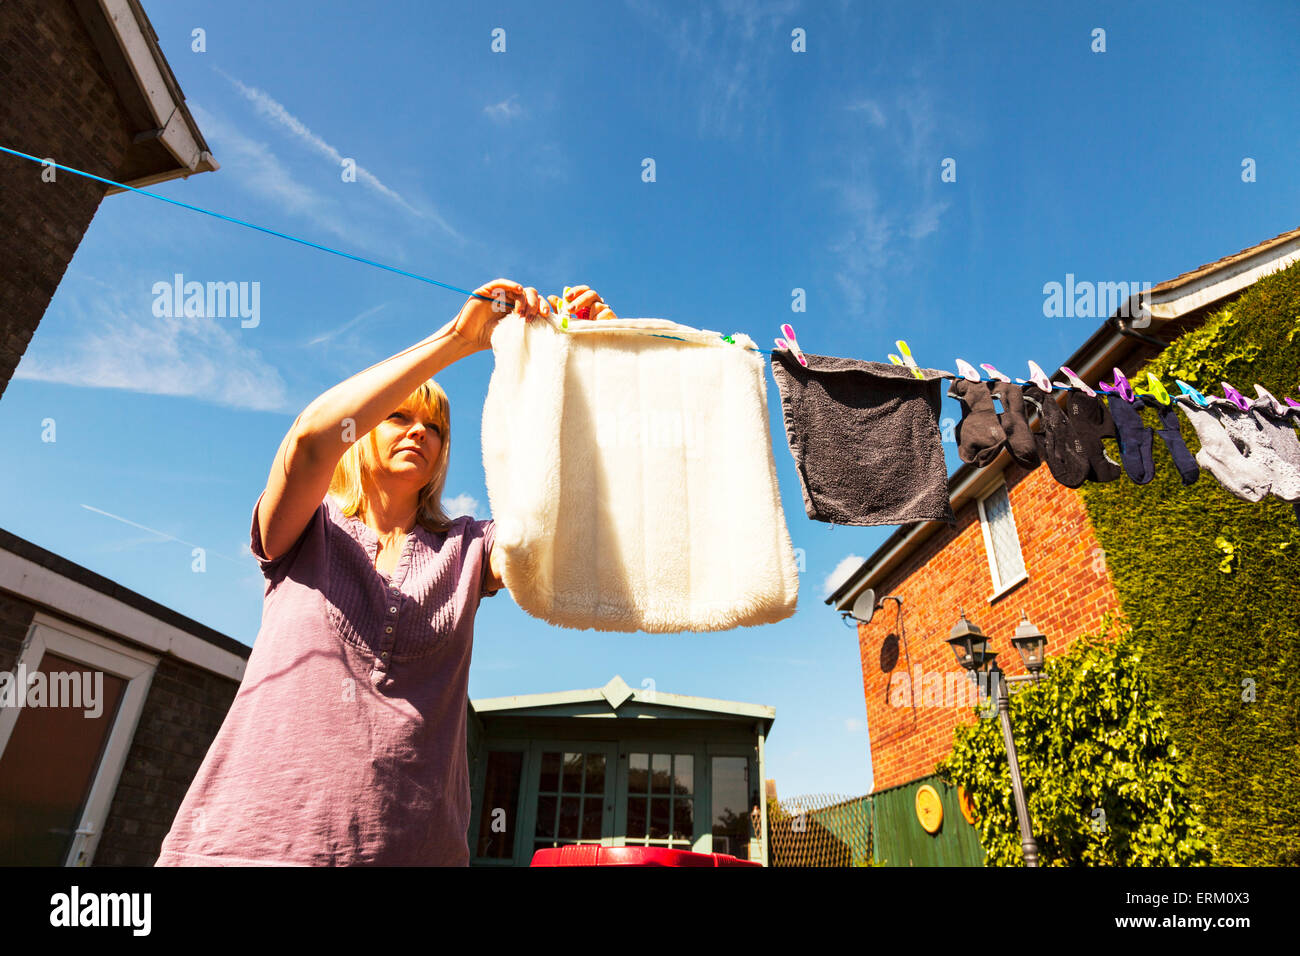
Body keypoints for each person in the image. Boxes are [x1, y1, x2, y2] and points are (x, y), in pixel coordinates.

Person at [155, 280, 613, 866]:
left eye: (436, 429)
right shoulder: (306, 530)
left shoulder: (470, 548)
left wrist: (593, 364)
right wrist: (458, 339)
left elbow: (566, 521)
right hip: (248, 846)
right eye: (399, 417)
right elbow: (311, 441)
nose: (421, 432)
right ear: (364, 431)